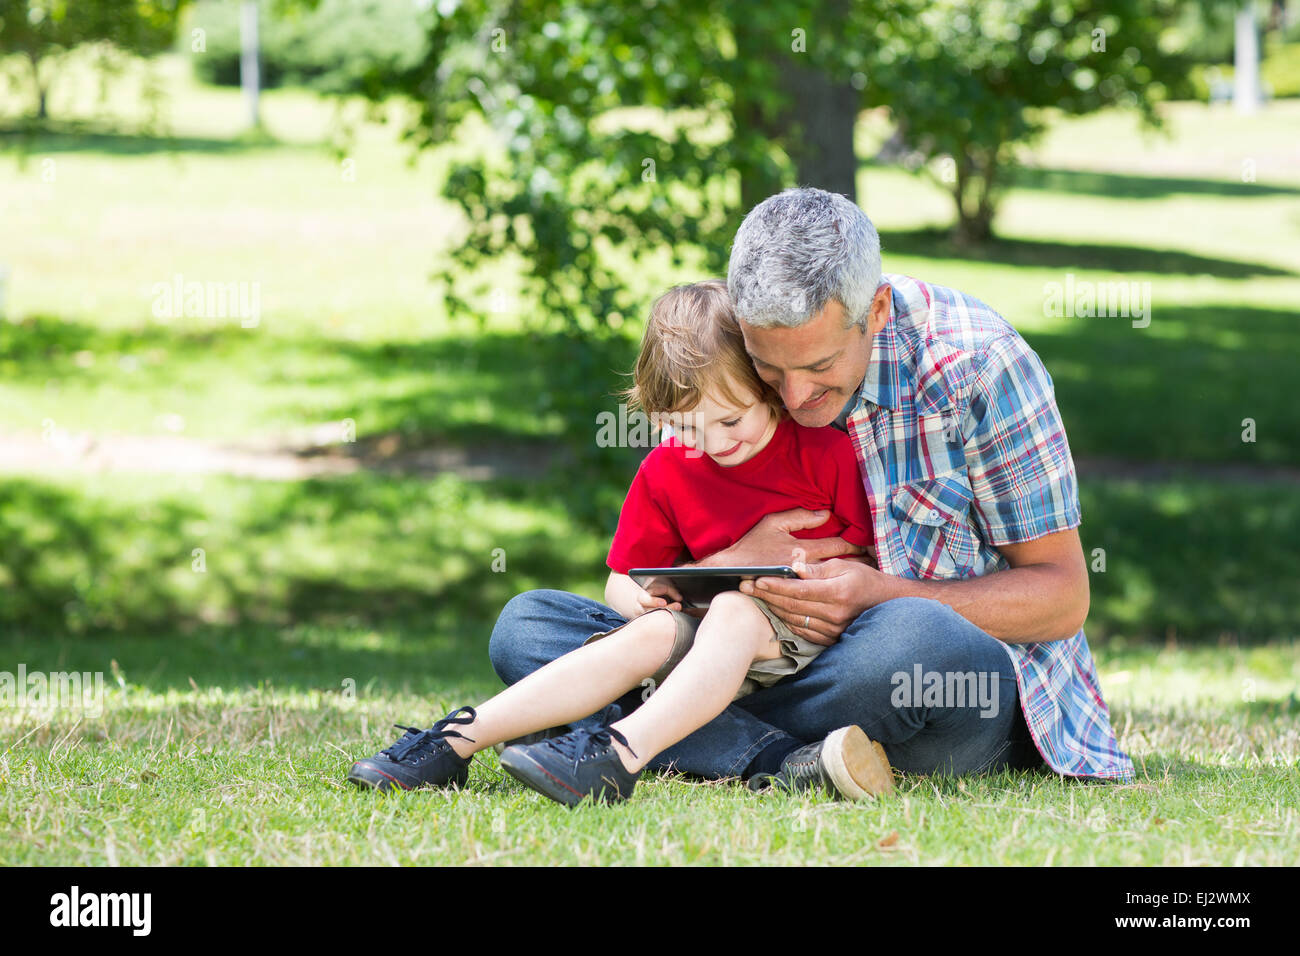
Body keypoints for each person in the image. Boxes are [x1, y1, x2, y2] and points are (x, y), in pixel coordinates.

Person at [490, 187, 1135, 787]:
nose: (795, 397)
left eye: (821, 366)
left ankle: (641, 727)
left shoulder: (979, 368)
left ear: (876, 309)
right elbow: (648, 569)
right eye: (769, 369)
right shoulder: (731, 362)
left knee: (916, 640)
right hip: (746, 663)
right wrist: (725, 568)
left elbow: (1062, 597)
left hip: (905, 682)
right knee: (530, 627)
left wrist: (879, 594)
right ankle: (789, 761)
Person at [346, 279, 895, 805]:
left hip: (801, 645)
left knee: (732, 609)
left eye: (730, 421)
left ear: (767, 388)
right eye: (686, 429)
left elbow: (873, 560)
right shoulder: (667, 470)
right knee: (558, 622)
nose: (712, 444)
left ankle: (616, 752)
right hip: (699, 646)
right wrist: (645, 600)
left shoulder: (826, 452)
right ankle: (451, 742)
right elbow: (622, 579)